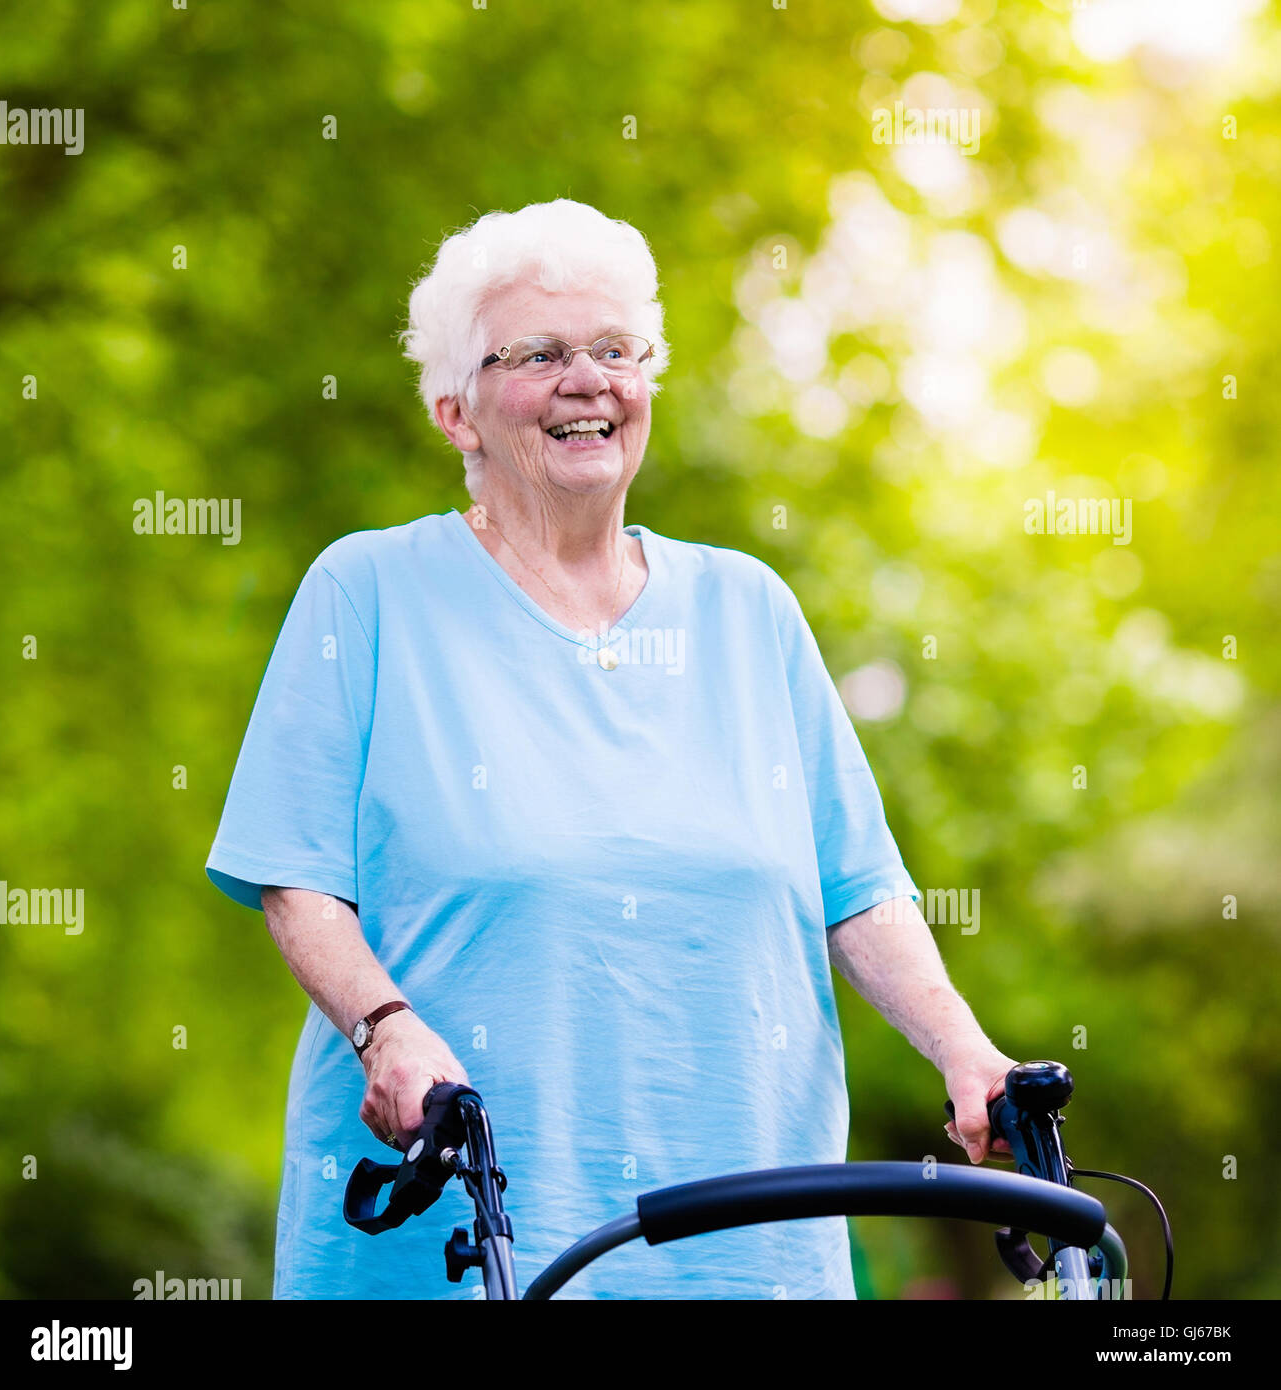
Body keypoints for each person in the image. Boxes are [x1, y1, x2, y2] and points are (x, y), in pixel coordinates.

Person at [206, 197, 1015, 1299]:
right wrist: (384, 1028)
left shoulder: (749, 611)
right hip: (463, 1230)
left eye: (614, 349)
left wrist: (965, 1050)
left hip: (746, 1243)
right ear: (456, 411)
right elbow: (295, 875)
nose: (586, 379)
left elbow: (859, 889)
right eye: (538, 354)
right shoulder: (370, 592)